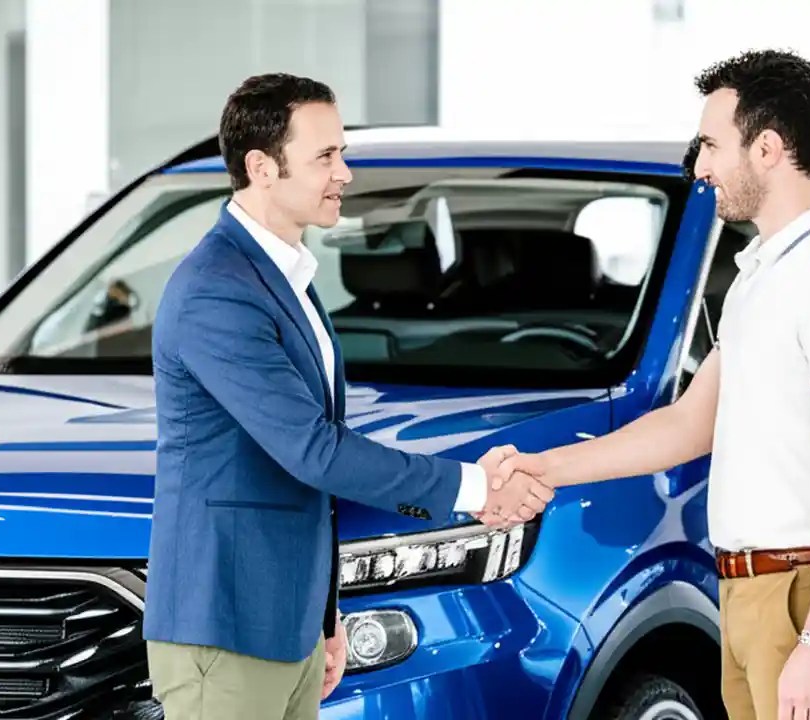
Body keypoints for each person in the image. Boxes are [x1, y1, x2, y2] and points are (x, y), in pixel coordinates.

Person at [493, 50, 810, 719]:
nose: (700, 167)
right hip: (751, 593)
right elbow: (688, 425)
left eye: (712, 145)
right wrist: (544, 468)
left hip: (808, 596)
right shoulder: (760, 277)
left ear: (767, 149)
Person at [142, 73, 552, 720]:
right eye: (325, 157)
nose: (345, 174)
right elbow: (313, 451)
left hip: (287, 622)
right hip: (226, 625)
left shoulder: (285, 276)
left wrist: (323, 612)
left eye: (343, 153)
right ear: (262, 168)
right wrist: (475, 489)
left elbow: (296, 485)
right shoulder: (217, 290)